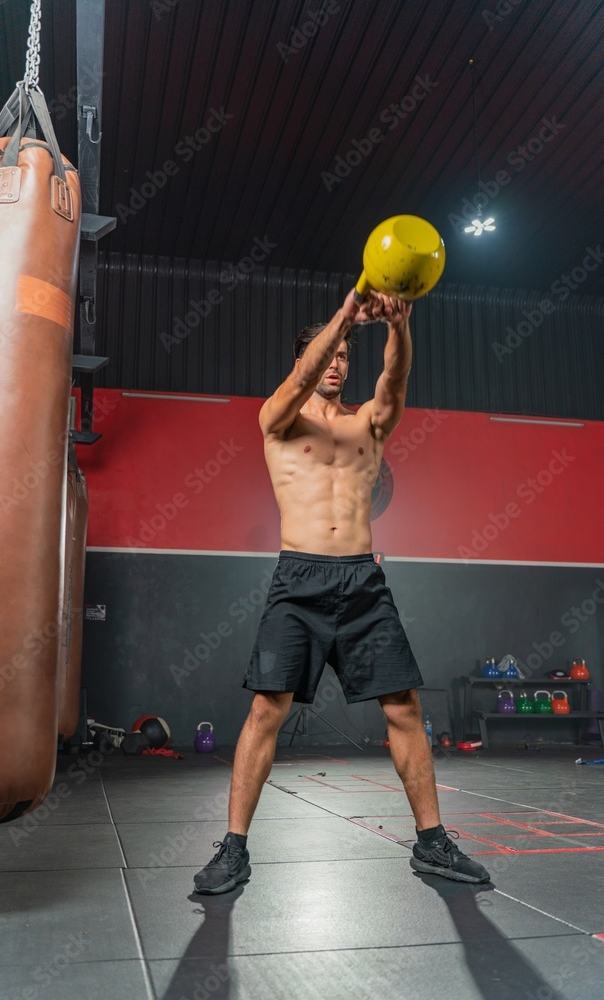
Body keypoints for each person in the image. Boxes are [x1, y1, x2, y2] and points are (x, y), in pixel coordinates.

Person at [194, 287, 490, 894]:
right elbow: (300, 376)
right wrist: (344, 316)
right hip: (298, 578)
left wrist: (398, 328)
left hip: (361, 581)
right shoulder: (278, 418)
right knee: (265, 709)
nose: (336, 363)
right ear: (307, 358)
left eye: (344, 357)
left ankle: (432, 843)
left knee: (404, 707)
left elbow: (396, 383)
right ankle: (233, 849)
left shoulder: (365, 427)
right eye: (328, 355)